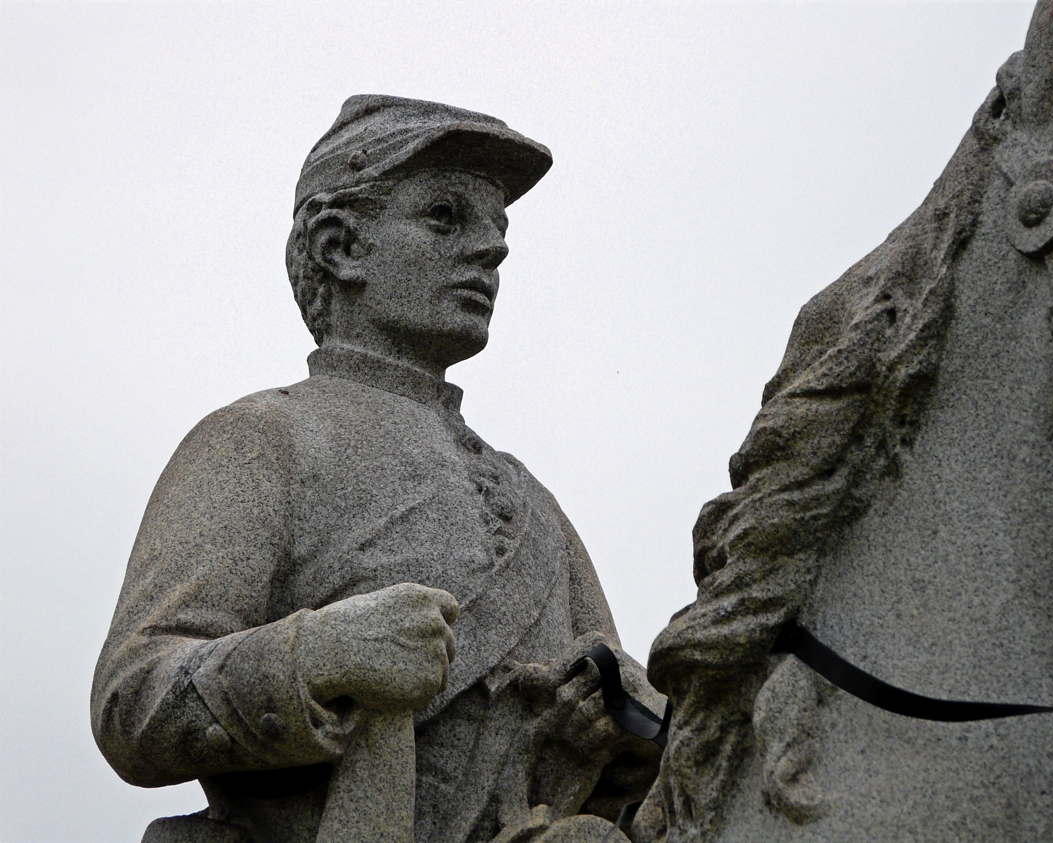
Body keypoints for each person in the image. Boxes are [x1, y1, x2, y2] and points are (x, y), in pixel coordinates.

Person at [92, 95, 662, 843]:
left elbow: (621, 771)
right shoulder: (260, 439)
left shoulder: (536, 508)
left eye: (498, 229)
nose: (492, 249)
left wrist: (613, 732)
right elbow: (133, 701)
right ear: (340, 247)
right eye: (446, 217)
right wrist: (316, 656)